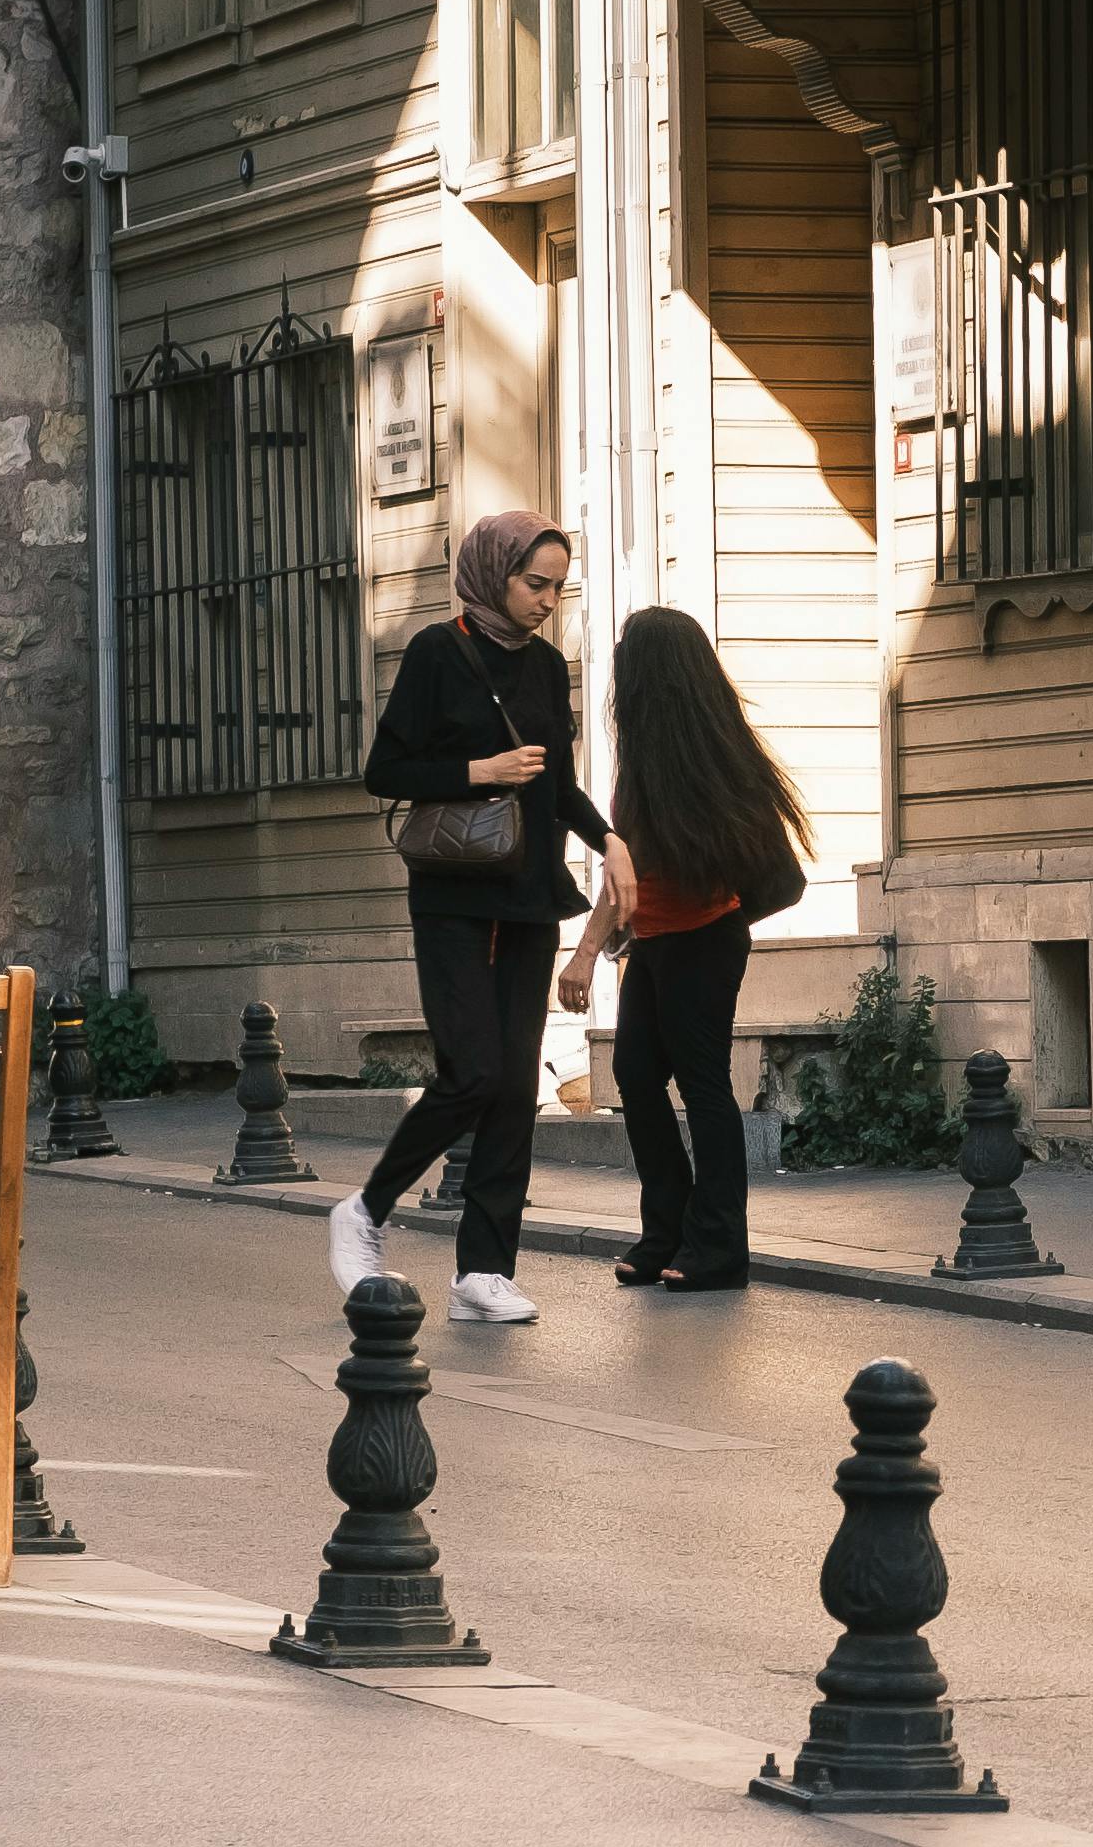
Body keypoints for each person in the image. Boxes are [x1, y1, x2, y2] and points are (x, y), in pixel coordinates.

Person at [341, 511, 604, 1327]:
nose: (547, 602)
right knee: (473, 1071)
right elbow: (384, 769)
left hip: (528, 892)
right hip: (456, 893)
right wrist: (475, 770)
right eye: (535, 584)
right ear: (495, 575)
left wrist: (611, 841)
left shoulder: (548, 667)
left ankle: (484, 1271)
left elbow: (556, 786)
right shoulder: (436, 652)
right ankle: (365, 1210)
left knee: (516, 1081)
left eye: (558, 587)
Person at [560, 605, 816, 1294]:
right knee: (638, 1078)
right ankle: (666, 1230)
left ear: (649, 674)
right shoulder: (646, 761)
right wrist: (591, 952)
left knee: (703, 1087)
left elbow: (775, 877)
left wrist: (714, 922)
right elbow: (626, 880)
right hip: (656, 947)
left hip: (702, 945)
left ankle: (719, 1247)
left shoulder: (709, 763)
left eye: (625, 656)